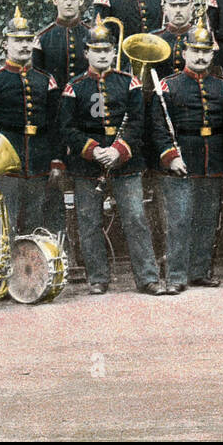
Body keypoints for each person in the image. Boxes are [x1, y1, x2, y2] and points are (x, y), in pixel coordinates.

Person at [58, 18, 164, 296]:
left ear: (113, 52)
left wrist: (119, 150)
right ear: (86, 53)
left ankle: (147, 277)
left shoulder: (129, 83)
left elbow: (138, 122)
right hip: (86, 165)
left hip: (125, 162)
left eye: (107, 50)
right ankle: (97, 277)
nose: (103, 55)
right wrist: (94, 151)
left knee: (136, 218)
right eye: (96, 50)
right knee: (88, 221)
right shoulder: (74, 87)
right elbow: (67, 128)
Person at [149, 14, 223, 294]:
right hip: (180, 160)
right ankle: (175, 276)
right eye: (194, 50)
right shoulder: (168, 86)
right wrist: (170, 156)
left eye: (205, 51)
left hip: (212, 160)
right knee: (179, 220)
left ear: (212, 54)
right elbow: (159, 127)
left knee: (208, 219)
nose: (200, 56)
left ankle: (199, 271)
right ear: (184, 52)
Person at [0, 6, 65, 239]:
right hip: (7, 165)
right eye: (17, 40)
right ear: (5, 44)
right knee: (5, 222)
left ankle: (30, 274)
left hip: (39, 162)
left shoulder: (46, 80)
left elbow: (55, 123)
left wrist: (56, 159)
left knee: (35, 221)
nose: (23, 45)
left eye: (28, 40)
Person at [33, 0, 89, 89]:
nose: (69, 2)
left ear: (81, 1)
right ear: (55, 0)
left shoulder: (91, 34)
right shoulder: (42, 38)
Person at [153, 0, 196, 75]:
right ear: (165, 9)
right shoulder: (154, 38)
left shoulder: (200, 36)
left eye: (183, 5)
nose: (178, 10)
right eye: (173, 5)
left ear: (192, 8)